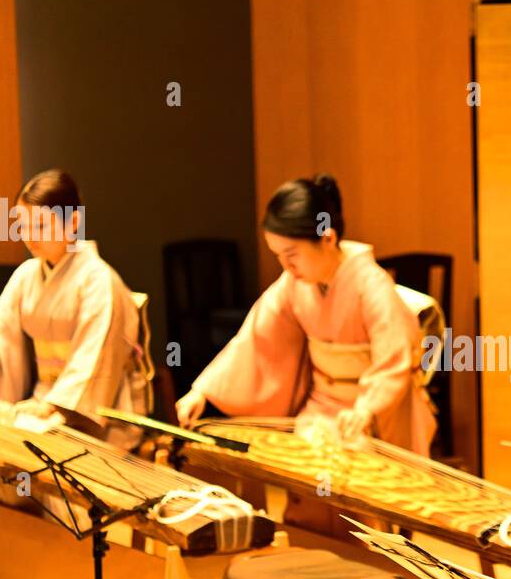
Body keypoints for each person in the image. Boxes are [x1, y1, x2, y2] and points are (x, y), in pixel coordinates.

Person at [175, 174, 435, 454]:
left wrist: (366, 410)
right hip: (322, 410)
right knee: (296, 462)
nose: (286, 266)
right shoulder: (294, 283)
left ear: (328, 237)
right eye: (278, 256)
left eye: (292, 254)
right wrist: (202, 393)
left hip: (377, 413)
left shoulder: (372, 286)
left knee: (359, 469)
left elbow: (393, 359)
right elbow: (255, 339)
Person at [0, 169, 150, 442]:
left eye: (41, 226)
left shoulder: (100, 282)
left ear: (73, 222)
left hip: (96, 414)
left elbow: (91, 364)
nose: (30, 237)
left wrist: (51, 406)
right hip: (44, 405)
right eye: (23, 226)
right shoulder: (26, 276)